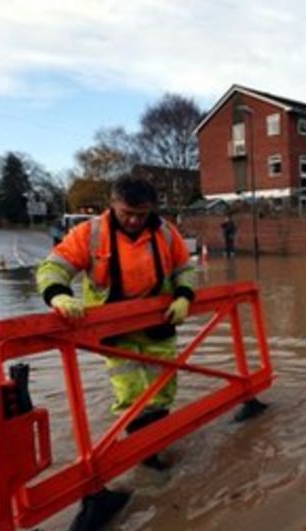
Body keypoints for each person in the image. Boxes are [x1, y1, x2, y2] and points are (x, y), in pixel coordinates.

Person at [36, 177, 195, 459]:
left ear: (151, 210)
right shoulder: (89, 234)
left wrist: (184, 296)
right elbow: (53, 268)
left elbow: (185, 268)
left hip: (158, 322)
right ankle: (143, 450)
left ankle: (156, 439)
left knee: (164, 385)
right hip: (113, 328)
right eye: (127, 214)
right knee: (129, 389)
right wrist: (59, 296)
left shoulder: (165, 233)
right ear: (112, 205)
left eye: (141, 215)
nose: (134, 221)